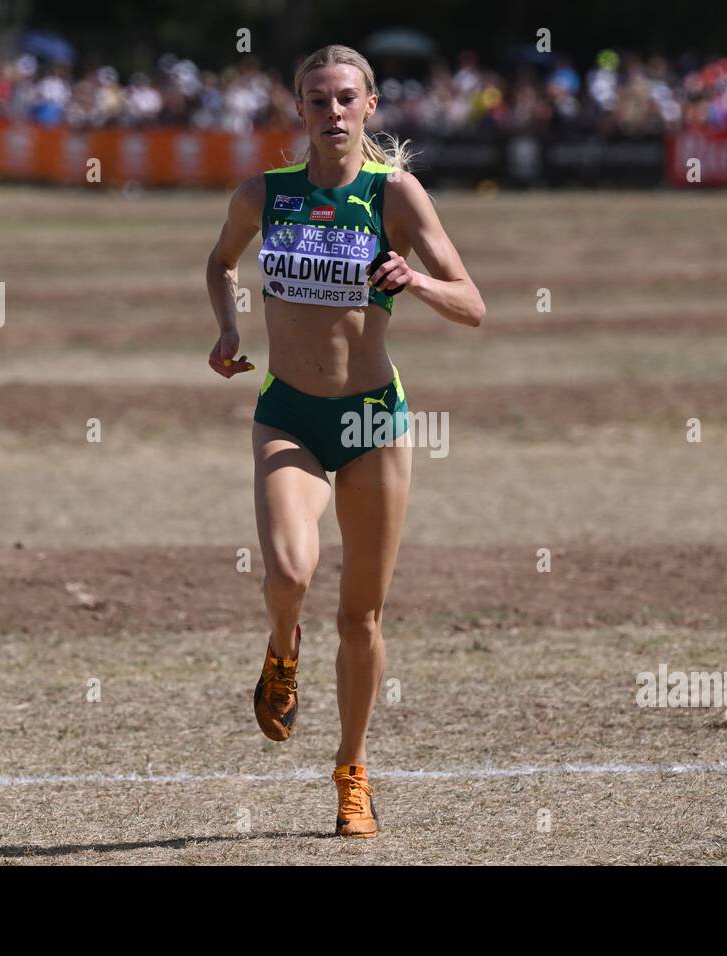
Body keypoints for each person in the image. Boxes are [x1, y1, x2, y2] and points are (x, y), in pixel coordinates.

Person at [205, 44, 484, 837]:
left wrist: (419, 282)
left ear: (371, 107)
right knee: (290, 570)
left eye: (346, 99)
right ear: (300, 110)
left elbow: (474, 303)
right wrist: (228, 327)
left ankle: (351, 771)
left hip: (371, 422)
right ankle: (281, 650)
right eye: (317, 100)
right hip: (288, 411)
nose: (332, 113)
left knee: (361, 618)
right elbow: (221, 262)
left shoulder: (395, 195)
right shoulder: (266, 193)